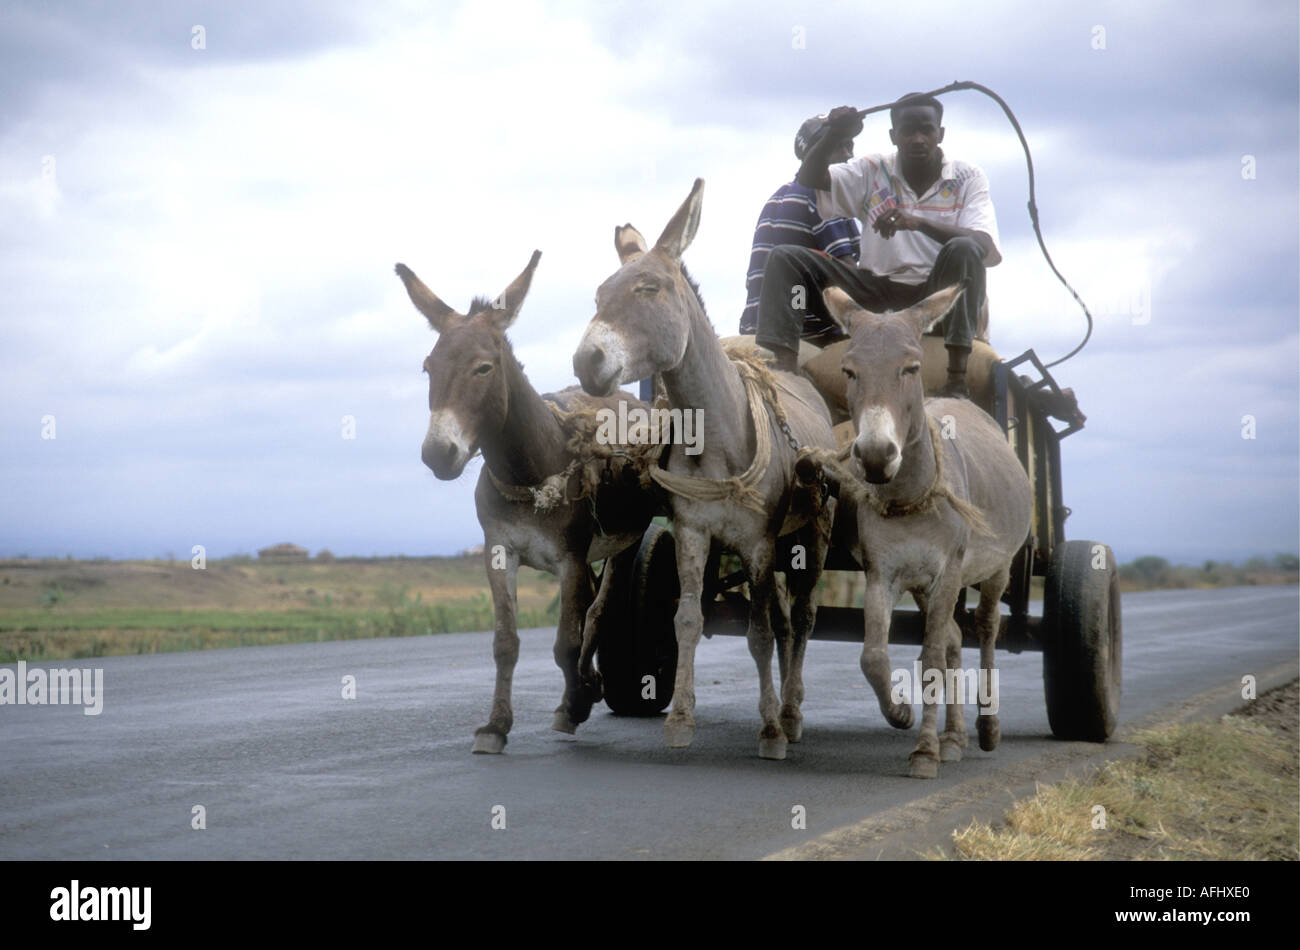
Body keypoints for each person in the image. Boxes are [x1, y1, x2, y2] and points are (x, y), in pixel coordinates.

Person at [755, 94, 1001, 398]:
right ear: (893, 136)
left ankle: (957, 376)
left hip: (935, 298)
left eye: (926, 130)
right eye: (908, 131)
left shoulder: (968, 177)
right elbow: (808, 177)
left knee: (964, 249)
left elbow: (983, 244)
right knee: (786, 259)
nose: (918, 139)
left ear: (941, 134)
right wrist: (835, 131)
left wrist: (918, 222)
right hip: (876, 293)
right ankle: (785, 368)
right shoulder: (872, 169)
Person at [737, 114, 861, 339]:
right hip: (803, 332)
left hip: (753, 328)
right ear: (817, 153)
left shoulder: (777, 197)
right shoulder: (824, 196)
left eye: (849, 146)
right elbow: (850, 277)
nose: (849, 155)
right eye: (839, 147)